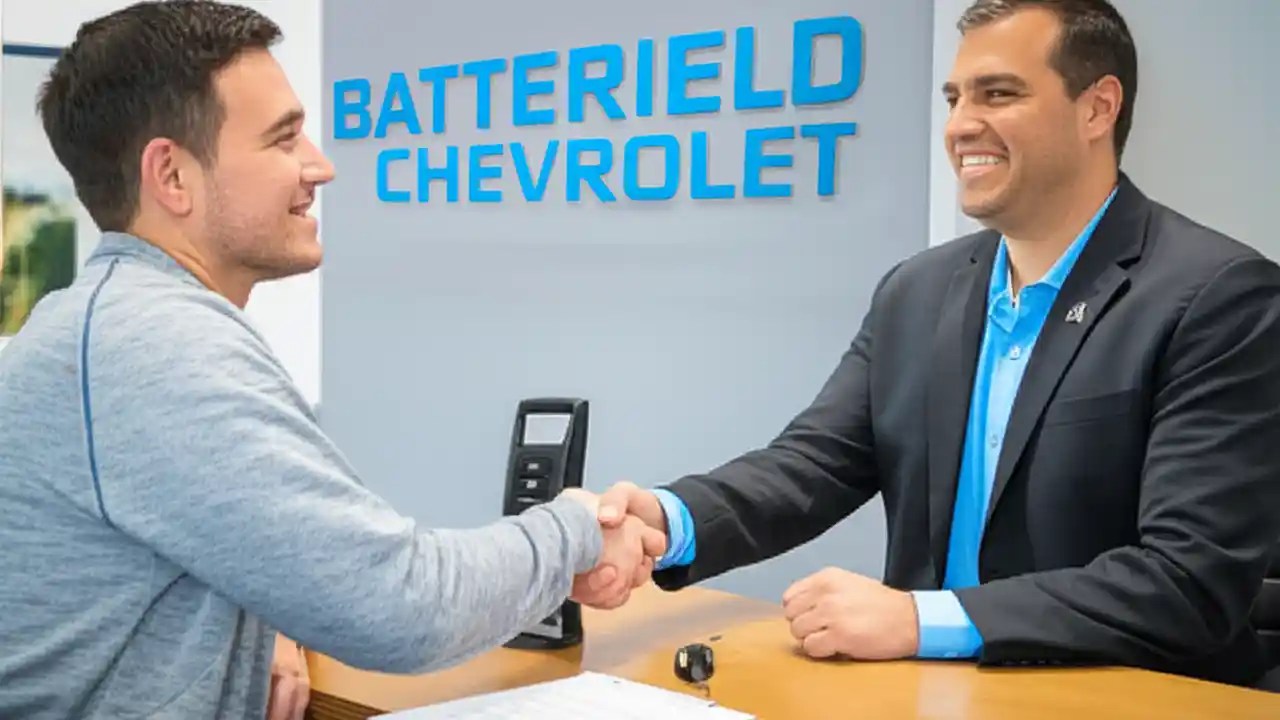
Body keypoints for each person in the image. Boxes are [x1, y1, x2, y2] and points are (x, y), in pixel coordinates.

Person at [580, 0, 1280, 688]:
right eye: (954, 98)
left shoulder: (1218, 297)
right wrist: (666, 521)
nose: (960, 125)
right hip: (927, 694)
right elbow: (814, 464)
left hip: (1120, 695)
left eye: (998, 94)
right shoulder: (917, 290)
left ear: (1098, 108)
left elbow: (1189, 580)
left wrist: (922, 620)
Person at [0, 2, 662, 719]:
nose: (320, 166)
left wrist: (267, 616)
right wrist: (573, 531)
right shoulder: (156, 349)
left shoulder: (99, 322)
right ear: (173, 176)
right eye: (284, 139)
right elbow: (402, 607)